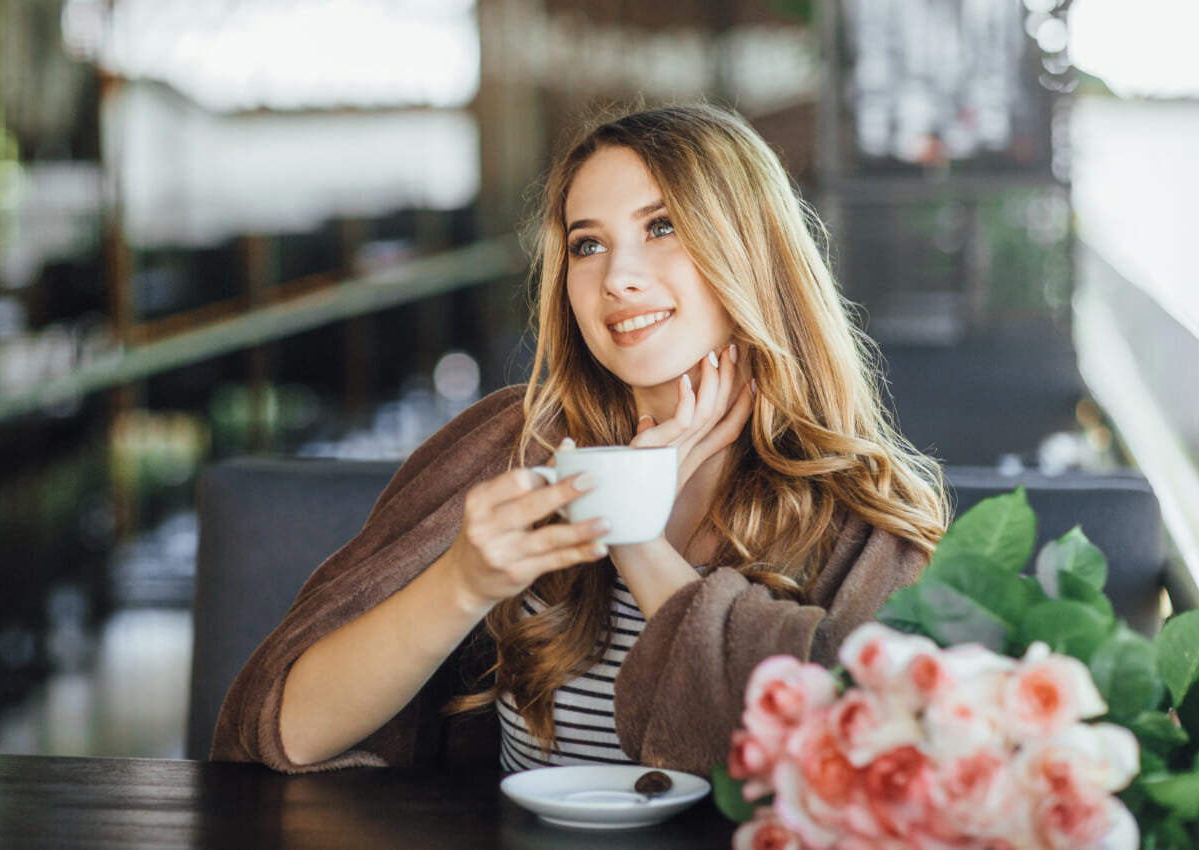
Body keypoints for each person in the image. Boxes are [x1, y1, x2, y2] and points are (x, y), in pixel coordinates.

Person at [211, 103, 949, 775]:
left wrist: (627, 521)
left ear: (750, 251)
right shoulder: (511, 445)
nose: (616, 277)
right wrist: (464, 581)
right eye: (587, 244)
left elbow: (848, 773)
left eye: (661, 227)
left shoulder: (863, 516)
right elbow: (288, 733)